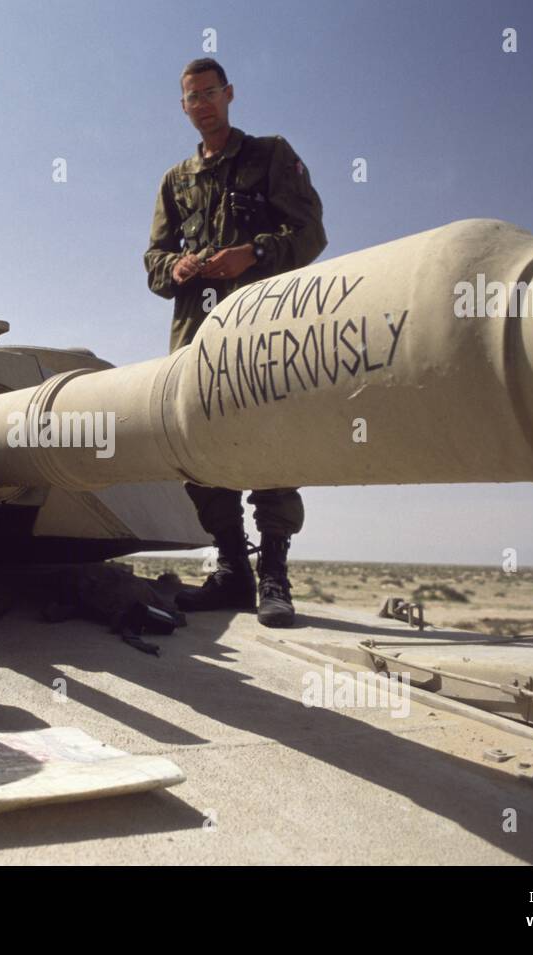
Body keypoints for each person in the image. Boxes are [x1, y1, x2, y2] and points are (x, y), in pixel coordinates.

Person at [144, 58, 327, 628]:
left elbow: (312, 234)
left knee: (271, 440)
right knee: (195, 448)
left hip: (262, 328)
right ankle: (231, 566)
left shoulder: (270, 155)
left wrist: (253, 253)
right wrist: (177, 267)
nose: (201, 103)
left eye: (209, 93)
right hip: (194, 336)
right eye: (191, 97)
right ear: (183, 108)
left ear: (229, 95)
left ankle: (273, 571)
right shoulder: (175, 181)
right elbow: (151, 262)